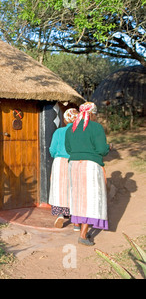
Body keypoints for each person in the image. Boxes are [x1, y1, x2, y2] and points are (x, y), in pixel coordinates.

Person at [65, 102, 111, 246]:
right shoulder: (96, 127)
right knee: (90, 198)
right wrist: (108, 148)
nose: (96, 117)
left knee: (78, 196)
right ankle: (83, 235)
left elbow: (68, 148)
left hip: (73, 165)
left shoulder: (70, 129)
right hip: (90, 166)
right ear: (91, 113)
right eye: (95, 114)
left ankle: (78, 224)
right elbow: (102, 149)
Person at [48, 108, 79, 229]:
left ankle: (60, 214)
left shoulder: (59, 132)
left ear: (65, 119)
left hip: (60, 161)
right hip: (75, 161)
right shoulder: (80, 132)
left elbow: (52, 149)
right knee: (75, 187)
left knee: (60, 188)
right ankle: (76, 221)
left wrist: (56, 155)